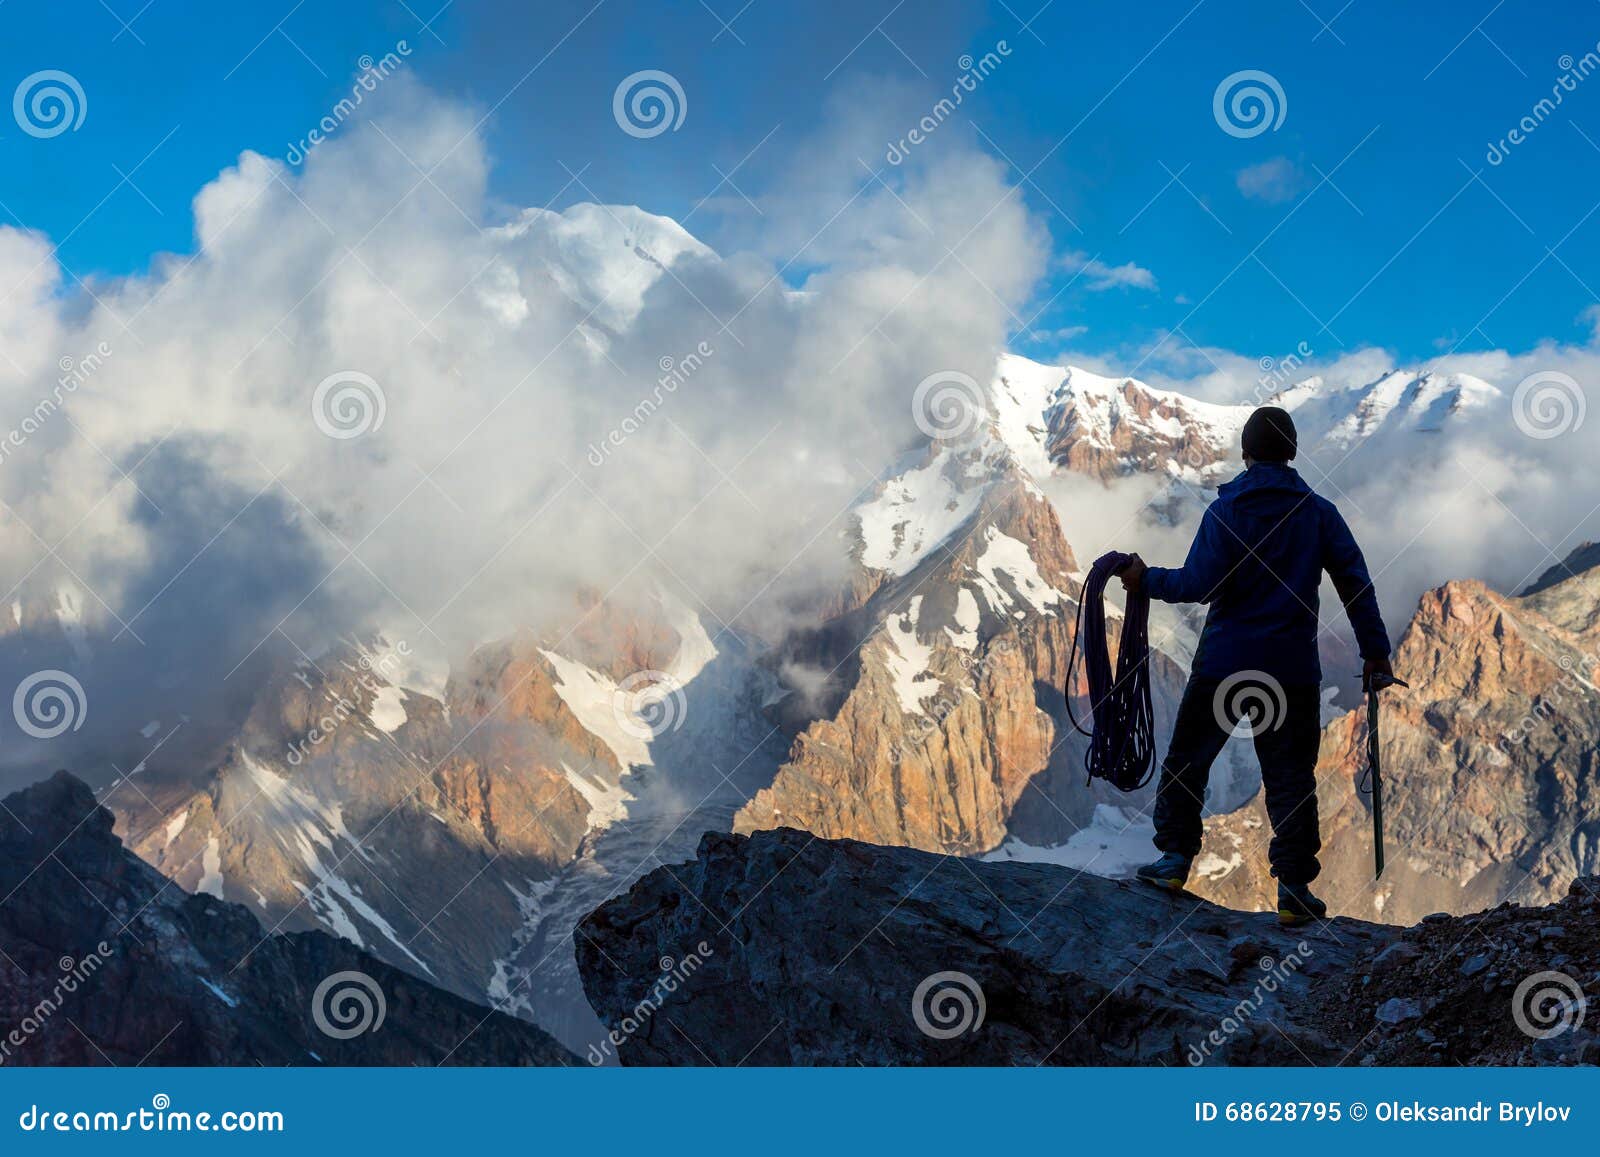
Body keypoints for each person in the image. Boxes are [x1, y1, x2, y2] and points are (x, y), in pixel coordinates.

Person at [1116, 406, 1393, 926]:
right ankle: (1292, 891)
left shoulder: (1224, 513)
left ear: (1245, 452)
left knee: (1188, 763)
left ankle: (1174, 861)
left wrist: (1143, 578)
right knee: (1290, 778)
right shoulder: (1319, 514)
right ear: (1291, 452)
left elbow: (1195, 585)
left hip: (1224, 663)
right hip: (1289, 671)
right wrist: (1374, 651)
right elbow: (1355, 582)